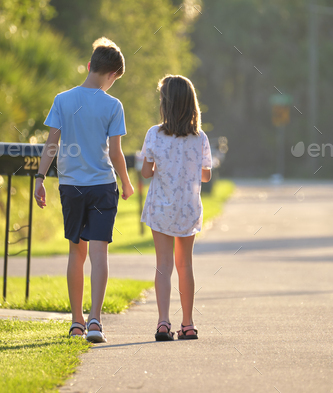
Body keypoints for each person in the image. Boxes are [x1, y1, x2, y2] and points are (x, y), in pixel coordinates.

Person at [34, 37, 134, 343]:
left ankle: (76, 322)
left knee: (76, 253)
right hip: (103, 186)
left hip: (71, 187)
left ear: (90, 65)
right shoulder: (113, 105)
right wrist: (126, 182)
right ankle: (95, 321)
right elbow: (116, 153)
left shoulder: (62, 99)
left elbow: (52, 143)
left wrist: (39, 178)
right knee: (99, 253)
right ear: (113, 74)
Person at [140, 75, 212, 341]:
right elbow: (205, 176)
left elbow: (146, 172)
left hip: (161, 207)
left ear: (166, 104)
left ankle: (162, 322)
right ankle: (188, 323)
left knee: (163, 266)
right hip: (188, 208)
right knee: (185, 265)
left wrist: (162, 165)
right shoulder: (199, 137)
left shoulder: (154, 134)